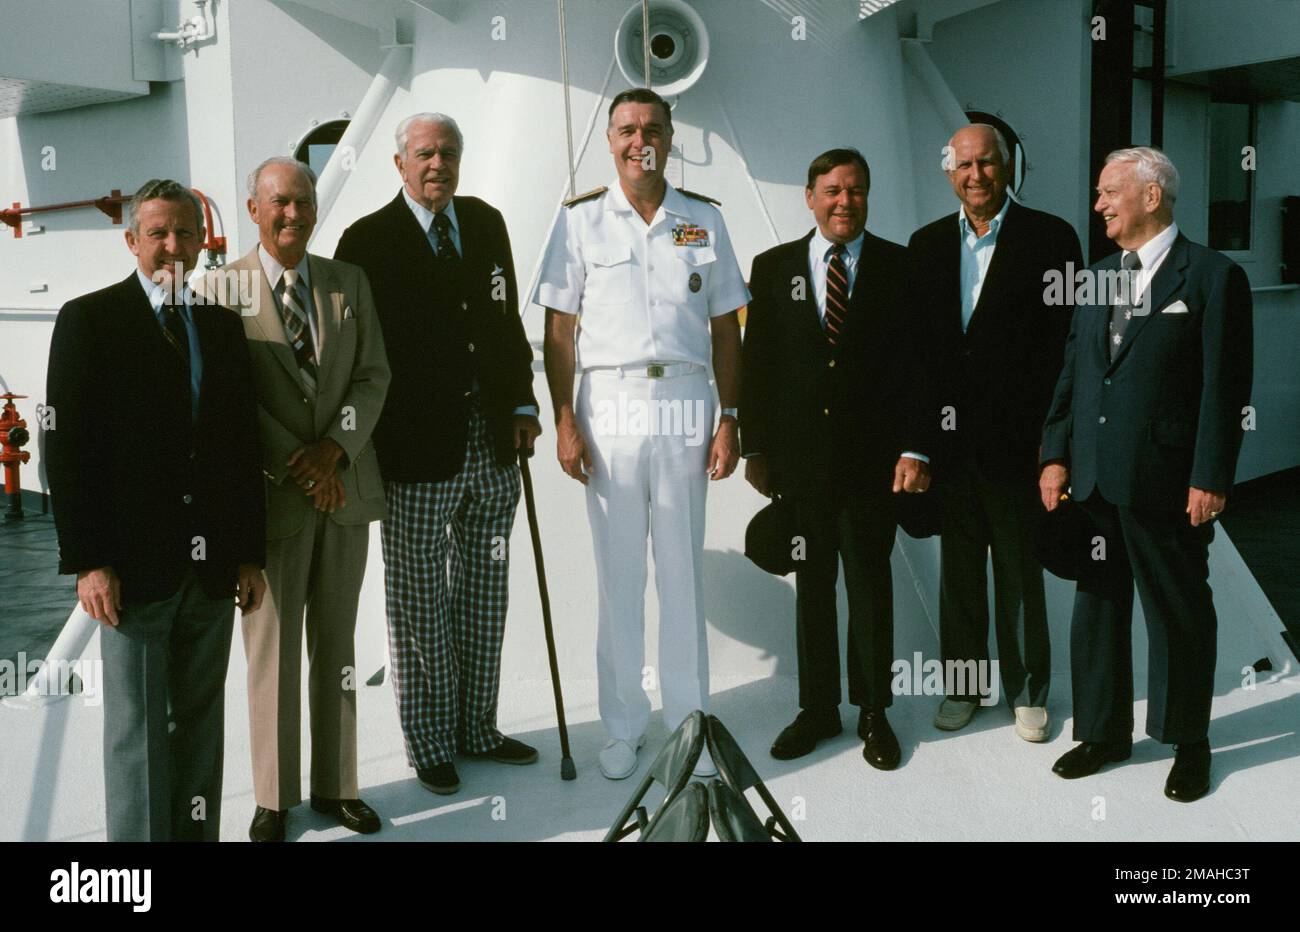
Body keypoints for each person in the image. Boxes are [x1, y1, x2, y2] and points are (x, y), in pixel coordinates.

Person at [534, 87, 749, 780]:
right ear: (610, 139)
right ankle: (624, 725)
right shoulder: (579, 224)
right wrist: (565, 418)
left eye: (651, 127)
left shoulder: (701, 221)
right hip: (611, 403)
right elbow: (559, 329)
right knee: (619, 577)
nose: (639, 140)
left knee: (682, 574)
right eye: (627, 128)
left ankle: (688, 725)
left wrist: (730, 418)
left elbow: (725, 328)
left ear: (670, 135)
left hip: (688, 400)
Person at [45, 178, 266, 841]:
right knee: (137, 733)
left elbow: (239, 448)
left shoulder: (221, 327)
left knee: (200, 724)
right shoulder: (90, 320)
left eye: (185, 233)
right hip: (133, 573)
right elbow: (67, 450)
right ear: (132, 240)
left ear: (203, 239)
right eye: (159, 233)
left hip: (211, 570)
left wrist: (249, 554)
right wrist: (89, 561)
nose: (173, 246)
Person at [335, 113, 541, 796]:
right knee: (417, 602)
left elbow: (505, 320)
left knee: (486, 593)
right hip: (416, 456)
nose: (438, 165)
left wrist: (522, 405)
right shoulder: (366, 241)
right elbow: (356, 356)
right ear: (399, 164)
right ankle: (429, 742)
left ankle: (477, 728)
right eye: (425, 154)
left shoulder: (485, 223)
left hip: (493, 446)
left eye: (449, 153)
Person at [1040, 147, 1253, 802]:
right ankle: (1103, 733)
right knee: (1098, 605)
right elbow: (1077, 370)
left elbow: (1225, 388)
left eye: (1109, 192)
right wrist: (1054, 452)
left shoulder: (1213, 277)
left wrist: (1211, 475)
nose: (1098, 204)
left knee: (1179, 609)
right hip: (1097, 476)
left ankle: (1188, 740)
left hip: (1168, 480)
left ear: (1151, 196)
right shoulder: (1097, 276)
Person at [195, 157, 390, 841]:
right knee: (270, 649)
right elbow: (228, 399)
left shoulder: (347, 282)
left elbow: (373, 376)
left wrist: (335, 451)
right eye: (279, 203)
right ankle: (273, 799)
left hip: (345, 489)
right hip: (274, 497)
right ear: (253, 209)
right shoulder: (220, 290)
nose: (293, 216)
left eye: (303, 203)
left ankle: (337, 788)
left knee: (336, 644)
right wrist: (301, 465)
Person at [742, 148, 932, 770]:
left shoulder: (899, 268)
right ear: (809, 196)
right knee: (813, 589)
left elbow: (918, 368)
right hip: (800, 468)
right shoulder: (772, 270)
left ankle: (874, 713)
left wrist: (914, 447)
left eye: (855, 191)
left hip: (873, 467)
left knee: (871, 587)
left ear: (867, 197)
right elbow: (758, 365)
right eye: (832, 190)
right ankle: (818, 710)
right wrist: (757, 448)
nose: (844, 201)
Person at [908, 124, 1083, 740]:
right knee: (958, 576)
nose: (976, 175)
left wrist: (1057, 448)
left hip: (1020, 447)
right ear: (948, 172)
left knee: (1018, 572)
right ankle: (962, 688)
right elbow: (919, 357)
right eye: (964, 165)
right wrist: (918, 443)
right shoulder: (926, 245)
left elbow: (1069, 349)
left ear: (1006, 168)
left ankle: (1029, 692)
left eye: (987, 163)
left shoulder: (1051, 238)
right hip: (951, 451)